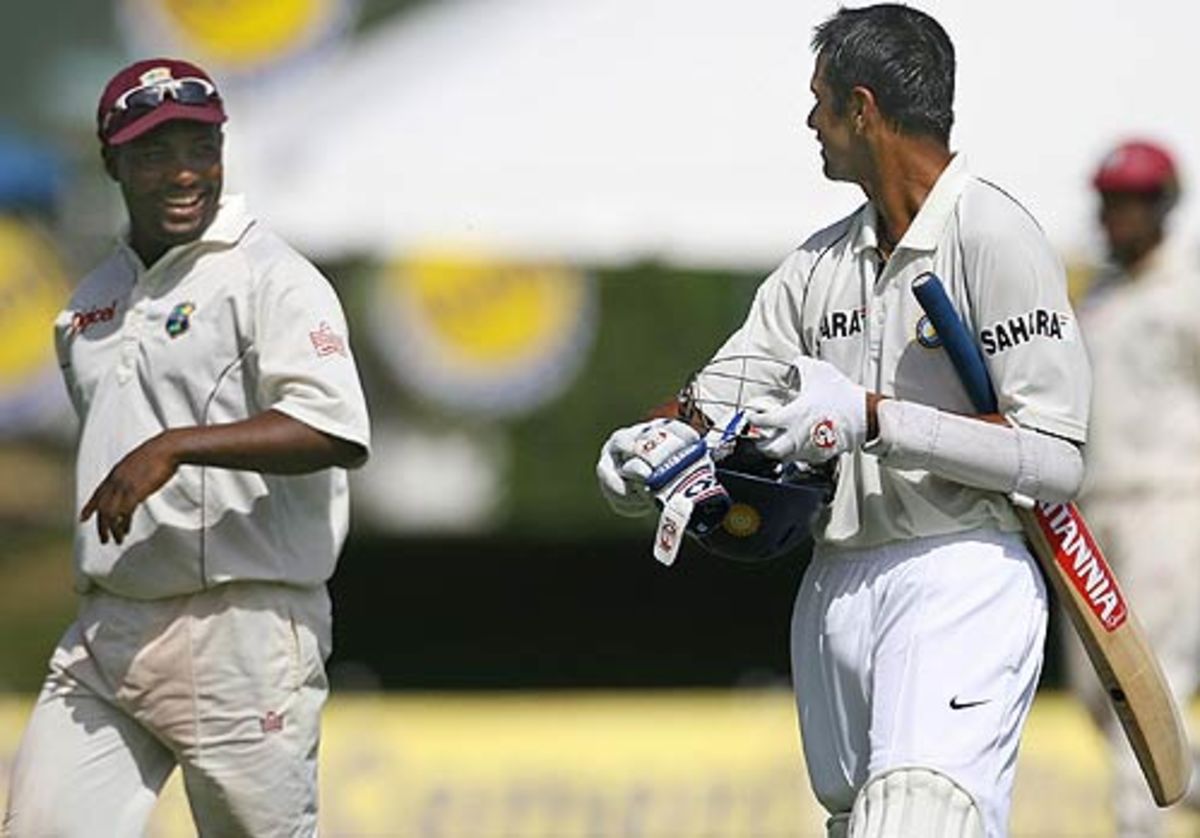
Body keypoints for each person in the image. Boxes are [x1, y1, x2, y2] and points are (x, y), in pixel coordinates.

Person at [596, 6, 1091, 837]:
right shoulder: (816, 264)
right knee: (855, 823)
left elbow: (1055, 460)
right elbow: (712, 400)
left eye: (820, 101)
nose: (810, 121)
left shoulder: (993, 236)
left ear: (861, 109)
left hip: (958, 570)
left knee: (917, 820)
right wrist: (651, 446)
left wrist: (875, 419)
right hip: (836, 582)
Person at [3, 58, 370, 837]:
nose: (182, 173)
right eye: (152, 153)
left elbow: (333, 428)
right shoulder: (93, 297)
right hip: (110, 628)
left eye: (199, 148)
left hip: (244, 628)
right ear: (112, 163)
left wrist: (176, 447)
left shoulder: (273, 276)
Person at [1068, 139, 1200, 837]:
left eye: (1131, 202)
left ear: (1164, 205)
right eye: (1109, 202)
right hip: (1093, 514)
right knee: (1099, 696)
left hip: (1173, 507)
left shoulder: (1189, 288)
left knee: (1149, 691)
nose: (1116, 216)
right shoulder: (1100, 294)